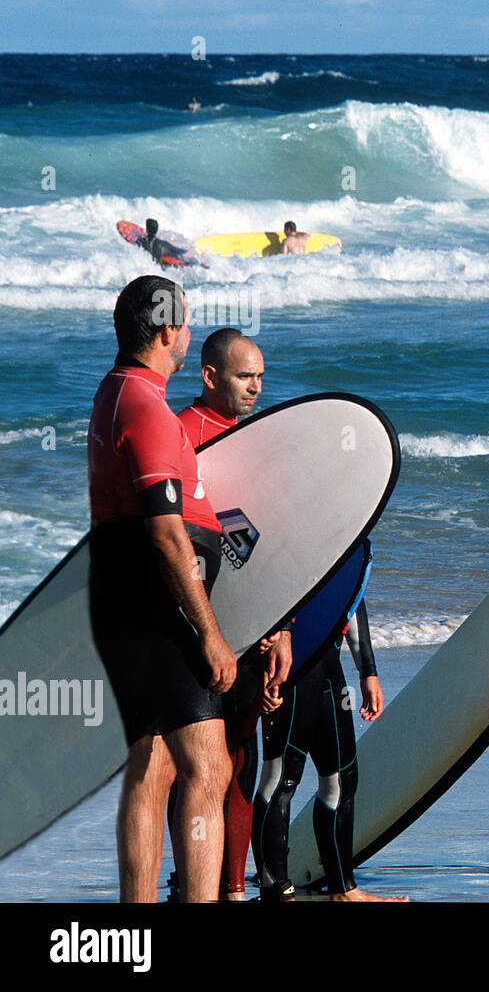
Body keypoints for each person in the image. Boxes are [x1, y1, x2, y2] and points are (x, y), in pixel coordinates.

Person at [88, 275, 238, 902]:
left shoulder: (117, 391)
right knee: (210, 764)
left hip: (122, 598)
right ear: (168, 331)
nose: (189, 337)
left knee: (151, 765)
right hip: (156, 605)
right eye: (187, 325)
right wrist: (210, 635)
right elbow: (167, 536)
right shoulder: (147, 407)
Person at [175, 328, 286, 901]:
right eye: (245, 376)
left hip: (251, 628)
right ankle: (189, 880)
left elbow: (263, 543)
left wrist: (281, 627)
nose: (256, 386)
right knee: (195, 764)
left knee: (243, 756)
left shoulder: (253, 436)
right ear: (211, 375)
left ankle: (234, 887)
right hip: (196, 626)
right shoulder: (181, 434)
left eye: (261, 376)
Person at [252, 596, 407, 902]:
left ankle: (343, 889)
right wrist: (258, 673)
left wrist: (368, 672)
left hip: (329, 665)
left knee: (342, 779)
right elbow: (262, 588)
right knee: (280, 778)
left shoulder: (346, 546)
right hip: (289, 665)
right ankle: (276, 890)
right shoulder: (286, 545)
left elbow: (354, 590)